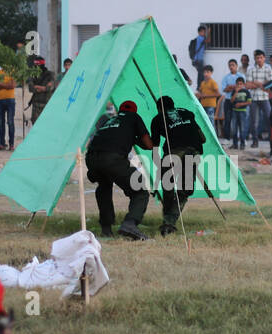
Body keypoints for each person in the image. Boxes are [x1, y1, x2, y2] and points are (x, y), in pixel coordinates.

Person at [86, 100, 152, 240]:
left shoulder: (110, 121)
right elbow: (148, 143)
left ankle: (106, 228)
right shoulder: (133, 117)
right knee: (139, 189)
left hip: (91, 159)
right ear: (134, 110)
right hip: (111, 158)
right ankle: (130, 223)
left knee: (104, 186)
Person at [150, 95, 207, 235]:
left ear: (159, 109)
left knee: (167, 186)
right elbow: (203, 138)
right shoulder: (187, 113)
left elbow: (155, 144)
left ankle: (167, 216)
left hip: (173, 152)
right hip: (192, 151)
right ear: (173, 105)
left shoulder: (157, 119)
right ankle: (169, 222)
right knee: (184, 190)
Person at [246, 50, 272, 145]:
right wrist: (262, 84)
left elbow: (270, 84)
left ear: (264, 58)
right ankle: (255, 141)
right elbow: (248, 85)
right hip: (254, 99)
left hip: (265, 98)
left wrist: (256, 83)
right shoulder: (251, 69)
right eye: (257, 58)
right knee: (254, 122)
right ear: (255, 59)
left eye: (261, 57)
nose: (259, 59)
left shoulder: (268, 68)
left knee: (270, 118)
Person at [27, 57, 54, 126]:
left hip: (47, 104)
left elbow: (50, 88)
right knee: (35, 125)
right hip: (36, 105)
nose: (37, 68)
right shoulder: (32, 75)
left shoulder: (50, 74)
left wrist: (37, 87)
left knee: (46, 125)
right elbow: (31, 88)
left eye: (38, 65)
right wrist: (43, 88)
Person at [0, 68, 16, 150]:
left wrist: (0, 84)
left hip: (10, 99)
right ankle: (0, 144)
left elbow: (12, 85)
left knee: (10, 122)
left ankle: (11, 144)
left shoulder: (12, 71)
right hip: (0, 100)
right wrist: (6, 85)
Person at [196, 64, 221, 130]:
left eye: (208, 72)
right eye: (204, 72)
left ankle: (213, 138)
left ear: (211, 73)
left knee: (211, 122)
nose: (206, 74)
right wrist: (198, 95)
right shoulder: (202, 83)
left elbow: (218, 94)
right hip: (203, 105)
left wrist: (205, 96)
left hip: (210, 105)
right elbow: (201, 93)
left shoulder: (213, 82)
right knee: (204, 122)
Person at [229, 77, 251, 150]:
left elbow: (249, 102)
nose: (239, 85)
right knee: (234, 128)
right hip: (234, 111)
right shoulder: (234, 91)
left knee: (242, 128)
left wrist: (240, 104)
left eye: (241, 84)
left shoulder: (246, 92)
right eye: (238, 84)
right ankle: (235, 144)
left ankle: (242, 144)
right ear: (236, 84)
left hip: (243, 111)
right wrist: (236, 92)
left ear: (243, 84)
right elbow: (231, 101)